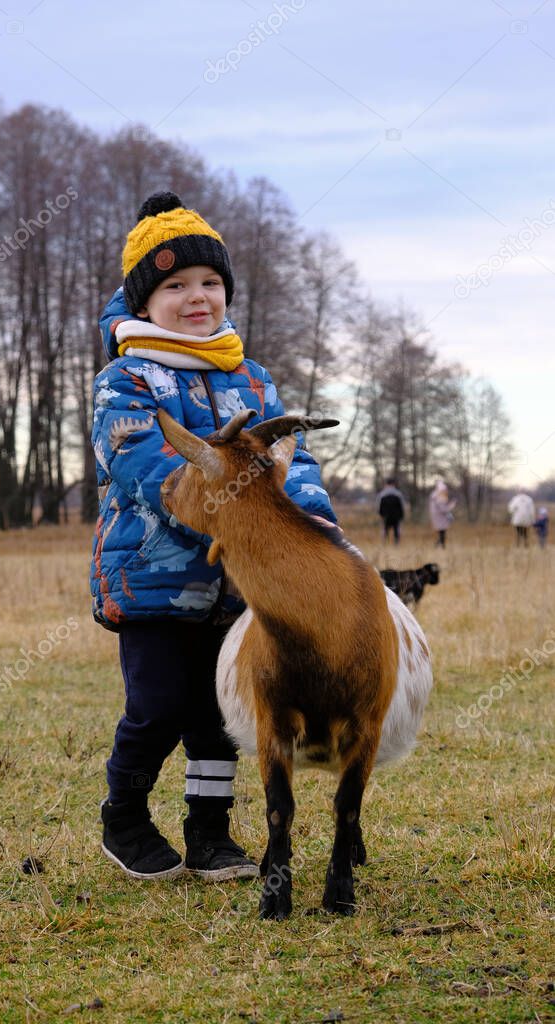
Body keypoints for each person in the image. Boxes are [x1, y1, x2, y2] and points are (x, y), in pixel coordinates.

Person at [89, 192, 338, 882]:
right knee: (158, 704)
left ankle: (209, 831)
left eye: (209, 283)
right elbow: (143, 466)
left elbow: (294, 458)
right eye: (175, 286)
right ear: (144, 302)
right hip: (153, 578)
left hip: (239, 584)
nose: (196, 297)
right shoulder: (125, 380)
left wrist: (310, 521)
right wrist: (231, 508)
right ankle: (125, 815)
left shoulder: (251, 381)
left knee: (222, 711)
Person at [376, 478, 405, 544]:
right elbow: (402, 506)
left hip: (385, 516)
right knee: (396, 530)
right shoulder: (398, 494)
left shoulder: (382, 494)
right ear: (394, 484)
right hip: (396, 516)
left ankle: (384, 542)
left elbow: (378, 506)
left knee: (385, 530)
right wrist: (401, 515)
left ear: (386, 484)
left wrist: (381, 514)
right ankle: (396, 543)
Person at [428, 479, 456, 548]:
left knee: (441, 532)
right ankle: (441, 545)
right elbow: (444, 509)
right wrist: (451, 505)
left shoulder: (434, 496)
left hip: (437, 517)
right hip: (440, 517)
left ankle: (439, 545)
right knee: (442, 532)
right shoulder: (439, 497)